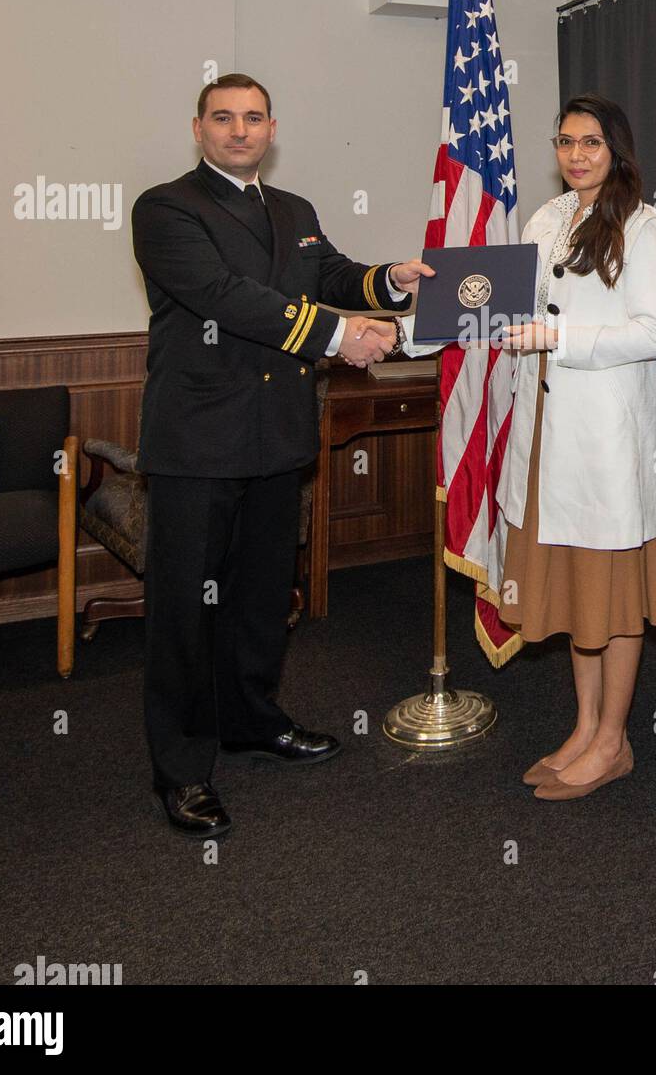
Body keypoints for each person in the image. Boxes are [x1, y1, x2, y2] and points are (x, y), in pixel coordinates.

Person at [131, 72, 431, 839]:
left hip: (277, 436)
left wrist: (387, 280)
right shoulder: (166, 207)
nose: (240, 130)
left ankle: (254, 720)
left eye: (253, 118)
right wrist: (339, 336)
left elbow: (329, 274)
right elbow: (227, 296)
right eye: (223, 118)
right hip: (198, 441)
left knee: (263, 597)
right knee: (185, 614)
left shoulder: (293, 210)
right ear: (197, 128)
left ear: (272, 129)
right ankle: (184, 768)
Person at [498, 92, 656, 800]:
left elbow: (654, 333)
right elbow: (514, 302)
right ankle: (582, 726)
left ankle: (613, 740)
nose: (576, 155)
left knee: (613, 596)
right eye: (566, 142)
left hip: (602, 437)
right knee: (574, 591)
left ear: (618, 150)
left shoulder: (641, 224)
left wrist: (558, 339)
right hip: (544, 432)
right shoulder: (546, 218)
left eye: (591, 143)